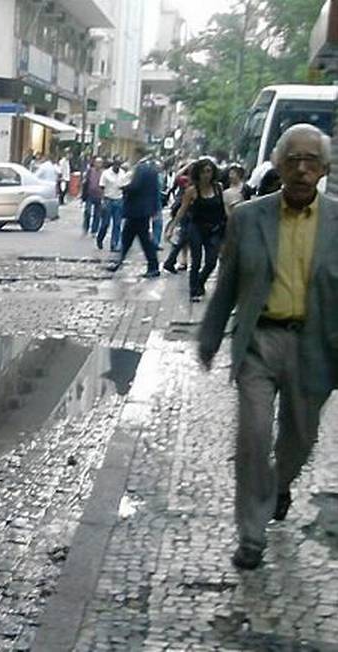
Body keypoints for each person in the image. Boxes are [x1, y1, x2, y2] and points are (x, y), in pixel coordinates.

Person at [197, 124, 336, 571]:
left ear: (323, 169)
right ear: (277, 165)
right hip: (260, 340)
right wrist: (210, 336)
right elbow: (228, 285)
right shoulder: (248, 217)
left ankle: (279, 485)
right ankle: (252, 533)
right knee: (254, 435)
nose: (300, 169)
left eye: (310, 161)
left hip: (314, 343)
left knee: (299, 437)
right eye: (292, 159)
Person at [175, 158, 225, 302]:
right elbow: (182, 210)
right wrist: (172, 227)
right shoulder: (192, 190)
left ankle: (200, 282)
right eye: (203, 172)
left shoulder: (218, 188)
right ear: (198, 173)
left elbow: (224, 208)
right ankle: (193, 291)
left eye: (209, 171)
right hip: (196, 228)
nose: (206, 175)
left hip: (214, 229)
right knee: (196, 261)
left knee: (211, 261)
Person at [106, 149, 160, 278]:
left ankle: (153, 266)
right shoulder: (152, 169)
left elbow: (135, 186)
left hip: (137, 210)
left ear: (138, 155)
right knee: (127, 237)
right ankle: (119, 261)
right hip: (142, 210)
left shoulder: (140, 169)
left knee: (143, 239)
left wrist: (123, 188)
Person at [96, 158, 127, 251]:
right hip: (108, 200)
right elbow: (101, 187)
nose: (117, 167)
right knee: (105, 223)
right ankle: (100, 238)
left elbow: (125, 186)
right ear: (113, 165)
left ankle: (114, 244)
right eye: (116, 165)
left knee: (117, 224)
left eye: (119, 165)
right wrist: (102, 201)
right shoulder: (106, 173)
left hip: (118, 200)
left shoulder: (123, 174)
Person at [82, 157, 104, 234]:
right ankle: (86, 227)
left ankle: (94, 230)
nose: (98, 164)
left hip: (99, 195)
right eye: (97, 162)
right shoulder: (90, 171)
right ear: (94, 163)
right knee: (88, 211)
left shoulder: (103, 173)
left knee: (97, 214)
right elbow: (85, 182)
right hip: (90, 194)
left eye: (100, 163)